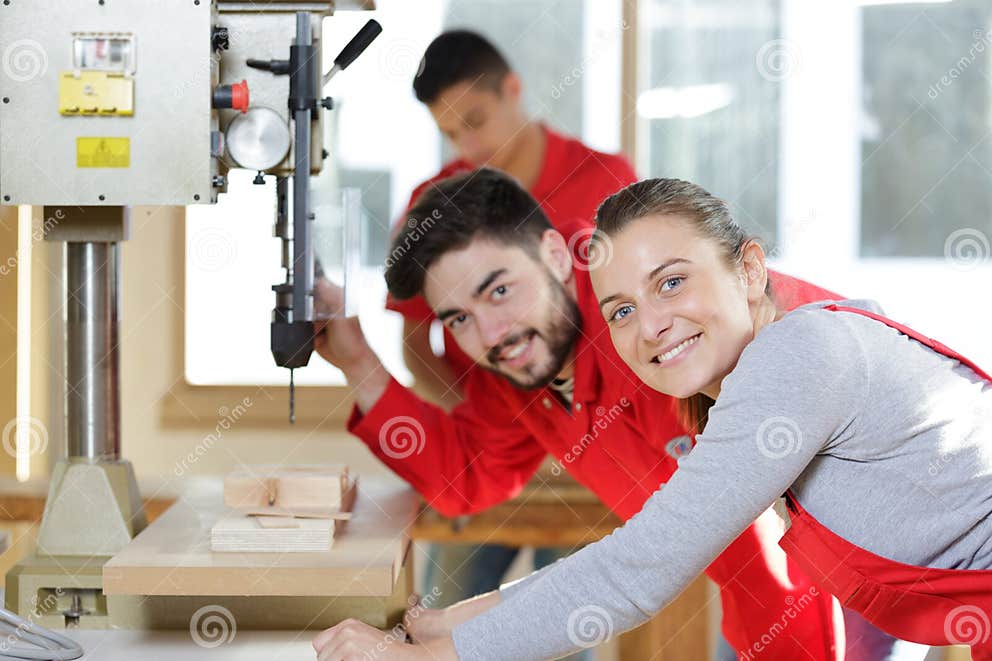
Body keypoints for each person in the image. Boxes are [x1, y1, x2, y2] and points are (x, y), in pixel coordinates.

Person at [317, 177, 992, 660]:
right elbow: (626, 550)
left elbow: (643, 566)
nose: (492, 330)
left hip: (817, 614)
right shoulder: (643, 360)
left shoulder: (788, 352)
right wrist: (447, 626)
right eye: (458, 317)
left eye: (672, 281)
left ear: (749, 268)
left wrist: (436, 652)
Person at [392, 29, 637, 652]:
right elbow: (418, 345)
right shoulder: (433, 205)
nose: (471, 147)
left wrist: (572, 430)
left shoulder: (605, 177)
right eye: (452, 134)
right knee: (441, 621)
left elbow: (634, 322)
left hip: (593, 460)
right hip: (493, 455)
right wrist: (483, 420)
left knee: (559, 633)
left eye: (477, 120)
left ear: (515, 90)